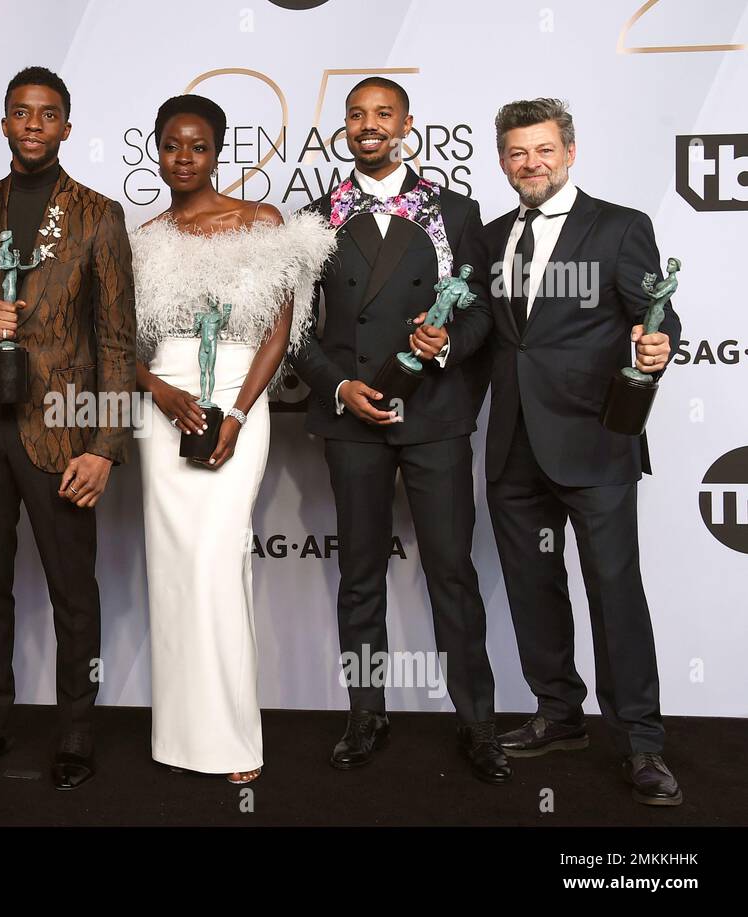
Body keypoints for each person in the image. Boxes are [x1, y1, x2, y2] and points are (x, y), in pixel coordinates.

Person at [450, 98, 682, 805]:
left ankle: (642, 742)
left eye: (544, 150)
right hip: (514, 441)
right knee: (532, 588)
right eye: (518, 153)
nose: (532, 164)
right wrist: (433, 347)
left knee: (615, 592)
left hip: (595, 439)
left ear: (570, 151)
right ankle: (558, 714)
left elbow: (657, 309)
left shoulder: (618, 227)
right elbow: (483, 331)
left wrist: (659, 336)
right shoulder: (489, 239)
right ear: (502, 161)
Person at [291, 77, 509, 783]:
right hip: (353, 421)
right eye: (356, 115)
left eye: (383, 114)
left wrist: (442, 344)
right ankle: (366, 711)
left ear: (408, 126)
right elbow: (294, 331)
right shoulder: (316, 218)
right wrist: (338, 385)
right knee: (359, 575)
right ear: (344, 130)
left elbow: (481, 318)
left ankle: (477, 721)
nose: (369, 125)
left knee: (452, 570)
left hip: (436, 418)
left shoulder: (455, 212)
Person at [0, 66, 136, 790]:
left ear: (66, 128)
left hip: (63, 430)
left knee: (72, 591)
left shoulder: (98, 215)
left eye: (47, 115)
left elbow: (117, 341)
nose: (32, 125)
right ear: (3, 123)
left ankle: (76, 731)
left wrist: (106, 446)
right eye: (20, 113)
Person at [131, 95, 334, 784]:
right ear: (155, 150)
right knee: (174, 569)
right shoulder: (145, 237)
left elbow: (278, 332)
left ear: (218, 152)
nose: (183, 158)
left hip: (239, 401)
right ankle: (179, 736)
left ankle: (232, 740)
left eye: (198, 146)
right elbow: (114, 343)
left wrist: (239, 414)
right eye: (171, 145)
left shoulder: (261, 222)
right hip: (166, 406)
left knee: (218, 563)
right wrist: (157, 391)